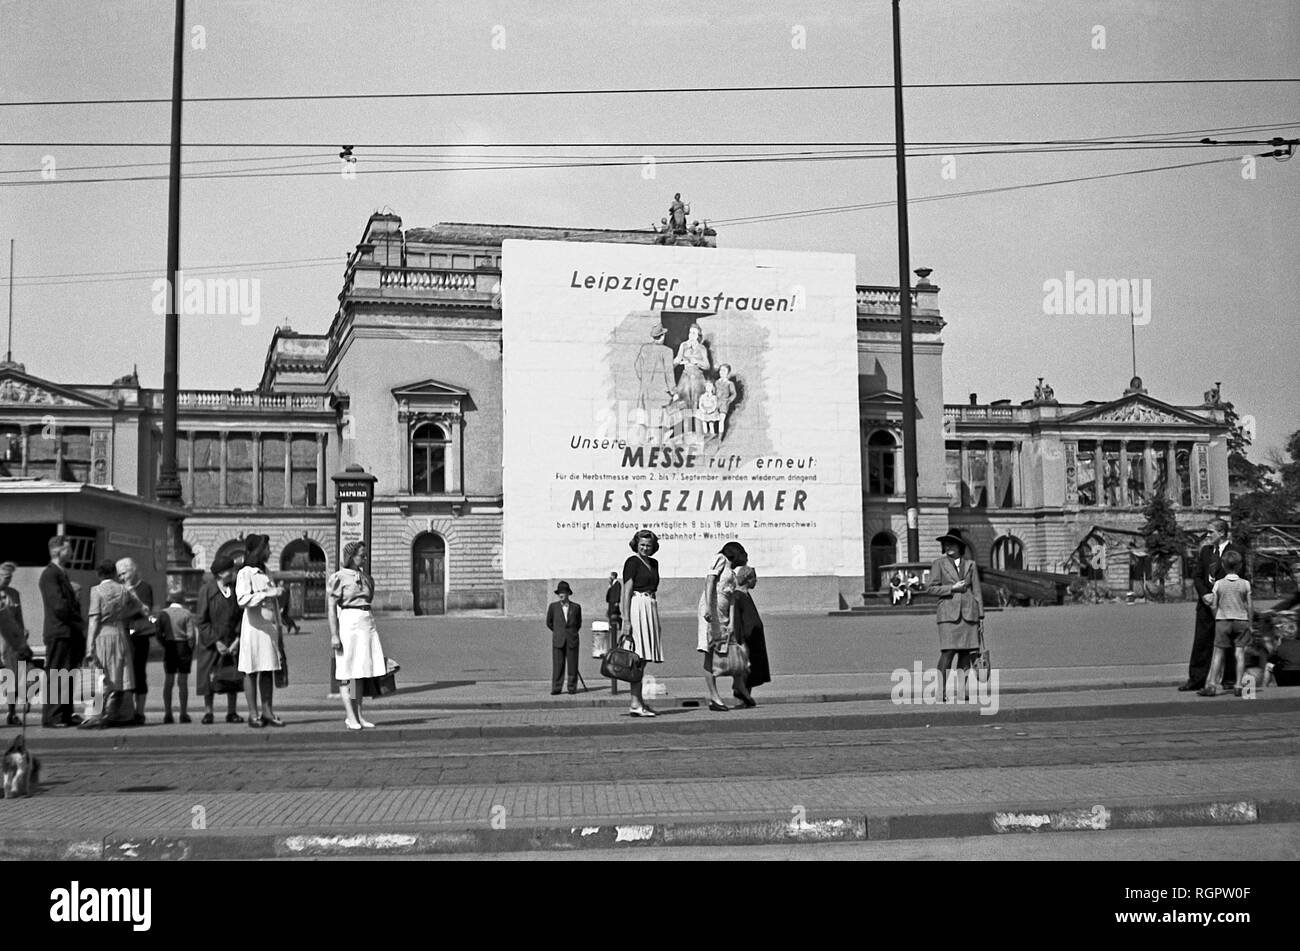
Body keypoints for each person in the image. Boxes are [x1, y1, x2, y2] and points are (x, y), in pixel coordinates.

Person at [327, 540, 387, 730]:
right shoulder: (339, 577)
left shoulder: (366, 578)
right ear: (351, 557)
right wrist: (334, 634)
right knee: (347, 673)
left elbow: (369, 598)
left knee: (359, 673)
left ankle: (359, 714)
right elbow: (331, 608)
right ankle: (350, 715)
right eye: (361, 555)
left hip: (366, 622)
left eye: (365, 554)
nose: (365, 558)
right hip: (349, 623)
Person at [1180, 518, 1245, 691]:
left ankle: (1230, 680)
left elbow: (1241, 578)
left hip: (1227, 605)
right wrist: (1205, 594)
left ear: (1222, 532)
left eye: (1211, 532)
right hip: (1206, 604)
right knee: (1202, 642)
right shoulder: (1206, 551)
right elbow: (1198, 576)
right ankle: (1197, 679)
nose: (1207, 535)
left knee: (1229, 642)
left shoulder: (1236, 551)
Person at [925, 532, 985, 701]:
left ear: (960, 546)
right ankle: (940, 691)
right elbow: (930, 588)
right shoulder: (939, 564)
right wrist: (952, 588)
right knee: (948, 652)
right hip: (948, 615)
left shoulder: (971, 565)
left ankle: (961, 691)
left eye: (952, 543)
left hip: (969, 614)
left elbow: (977, 591)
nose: (948, 546)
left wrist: (980, 616)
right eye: (946, 544)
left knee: (965, 653)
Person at [236, 534, 286, 728]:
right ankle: (253, 713)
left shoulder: (267, 572)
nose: (270, 551)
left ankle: (268, 711)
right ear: (258, 550)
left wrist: (279, 597)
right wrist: (266, 594)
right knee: (251, 669)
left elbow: (273, 603)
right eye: (266, 548)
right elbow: (242, 599)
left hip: (269, 627)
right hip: (253, 627)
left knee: (268, 670)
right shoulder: (245, 573)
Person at [83, 560, 138, 728]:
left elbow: (94, 619)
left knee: (100, 675)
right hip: (119, 633)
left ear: (99, 574)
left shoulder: (96, 591)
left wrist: (89, 646)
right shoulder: (123, 590)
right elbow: (137, 605)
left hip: (102, 634)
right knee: (120, 673)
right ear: (114, 573)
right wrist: (123, 615)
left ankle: (96, 715)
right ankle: (119, 713)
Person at [39, 535, 85, 728]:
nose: (72, 552)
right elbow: (59, 606)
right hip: (59, 632)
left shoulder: (61, 573)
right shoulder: (50, 574)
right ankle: (53, 716)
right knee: (57, 673)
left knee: (67, 673)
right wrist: (78, 621)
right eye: (68, 549)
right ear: (58, 551)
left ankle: (66, 712)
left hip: (67, 632)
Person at [620, 529, 664, 717]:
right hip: (637, 606)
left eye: (648, 545)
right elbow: (626, 591)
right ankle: (635, 703)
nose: (645, 548)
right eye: (642, 545)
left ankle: (639, 702)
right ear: (636, 545)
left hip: (650, 606)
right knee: (637, 657)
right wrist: (626, 619)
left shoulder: (654, 563)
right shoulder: (632, 562)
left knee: (644, 658)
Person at [698, 541, 747, 712]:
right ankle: (714, 696)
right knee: (710, 652)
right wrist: (709, 608)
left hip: (725, 613)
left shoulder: (733, 574)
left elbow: (732, 598)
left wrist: (732, 621)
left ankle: (740, 689)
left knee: (728, 649)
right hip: (711, 611)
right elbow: (710, 581)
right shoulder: (720, 559)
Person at [194, 554, 243, 724]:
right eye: (230, 570)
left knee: (233, 676)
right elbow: (201, 620)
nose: (233, 573)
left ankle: (232, 712)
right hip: (211, 642)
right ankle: (208, 712)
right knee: (208, 677)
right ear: (221, 573)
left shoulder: (236, 589)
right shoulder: (207, 590)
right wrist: (216, 641)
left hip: (231, 640)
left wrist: (237, 639)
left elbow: (241, 617)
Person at [1200, 550, 1253, 697]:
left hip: (1223, 620)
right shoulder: (1245, 584)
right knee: (1239, 653)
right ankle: (1238, 684)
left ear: (1222, 565)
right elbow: (1249, 605)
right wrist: (1250, 622)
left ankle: (1211, 684)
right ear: (1240, 565)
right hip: (1241, 620)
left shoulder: (1218, 584)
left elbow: (1213, 604)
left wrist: (1216, 615)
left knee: (1218, 653)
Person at [118, 558, 154, 725]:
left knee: (139, 673)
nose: (121, 578)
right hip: (124, 634)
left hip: (140, 636)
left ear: (132, 571)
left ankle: (140, 712)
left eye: (124, 573)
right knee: (126, 674)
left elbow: (145, 609)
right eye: (119, 575)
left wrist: (131, 592)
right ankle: (127, 711)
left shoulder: (144, 587)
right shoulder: (119, 589)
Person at [0, 562, 34, 725]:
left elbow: (18, 617)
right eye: (5, 577)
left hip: (11, 642)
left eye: (10, 578)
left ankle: (12, 712)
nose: (7, 581)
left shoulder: (14, 594)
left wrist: (23, 632)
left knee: (15, 676)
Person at [730, 566, 769, 707]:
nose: (756, 581)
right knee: (745, 669)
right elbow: (737, 620)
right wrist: (740, 640)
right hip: (746, 639)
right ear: (747, 579)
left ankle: (746, 697)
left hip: (755, 638)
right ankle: (741, 698)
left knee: (752, 669)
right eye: (754, 578)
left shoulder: (746, 594)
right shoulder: (738, 595)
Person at [160, 588, 196, 723]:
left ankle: (168, 713)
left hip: (169, 646)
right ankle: (183, 713)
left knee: (168, 681)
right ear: (182, 599)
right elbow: (191, 635)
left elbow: (159, 633)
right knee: (183, 682)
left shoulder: (163, 614)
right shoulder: (186, 613)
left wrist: (164, 644)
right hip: (183, 647)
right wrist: (191, 647)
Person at [545, 581, 582, 695]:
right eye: (559, 593)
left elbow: (578, 623)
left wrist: (571, 632)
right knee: (558, 665)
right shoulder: (553, 607)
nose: (561, 595)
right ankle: (556, 687)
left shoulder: (576, 607)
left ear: (568, 594)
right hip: (558, 639)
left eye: (563, 592)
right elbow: (549, 622)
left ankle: (572, 687)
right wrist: (558, 632)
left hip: (572, 639)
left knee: (572, 665)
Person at [673, 323, 711, 413]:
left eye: (694, 333)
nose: (691, 335)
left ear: (698, 335)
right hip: (686, 377)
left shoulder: (702, 348)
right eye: (690, 333)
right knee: (684, 403)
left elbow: (707, 366)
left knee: (697, 403)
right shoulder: (684, 345)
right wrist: (668, 368)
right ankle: (687, 426)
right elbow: (677, 359)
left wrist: (697, 362)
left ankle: (697, 426)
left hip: (698, 378)